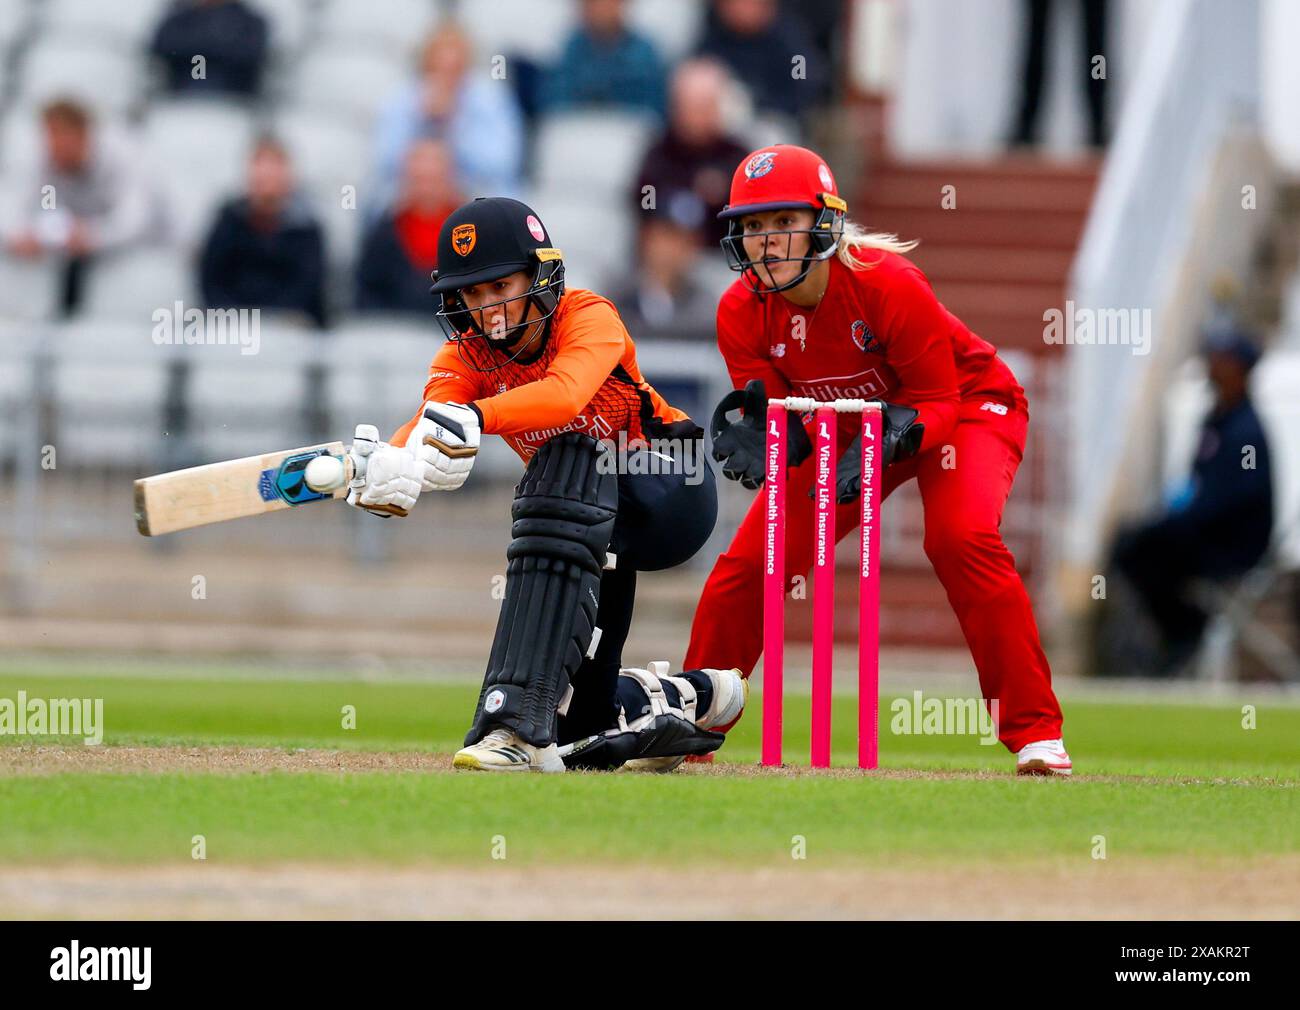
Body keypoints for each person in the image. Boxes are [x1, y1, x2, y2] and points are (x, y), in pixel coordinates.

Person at [689, 144, 1071, 775]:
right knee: (753, 561)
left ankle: (1035, 732)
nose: (767, 242)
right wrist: (774, 441)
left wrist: (893, 441)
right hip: (851, 428)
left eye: (783, 223)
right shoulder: (740, 310)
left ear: (823, 221)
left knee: (959, 538)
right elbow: (784, 423)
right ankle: (694, 718)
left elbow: (938, 400)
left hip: (961, 408)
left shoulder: (885, 281)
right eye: (753, 227)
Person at [340, 197, 746, 772]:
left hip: (670, 484)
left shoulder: (589, 315)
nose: (490, 309)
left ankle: (512, 724)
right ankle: (684, 695)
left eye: (501, 286)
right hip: (588, 521)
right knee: (585, 728)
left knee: (562, 463)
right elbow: (429, 421)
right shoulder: (462, 357)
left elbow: (565, 395)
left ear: (539, 276)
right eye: (474, 295)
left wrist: (478, 417)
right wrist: (388, 463)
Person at [1110, 327, 1273, 675]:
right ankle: (1178, 628)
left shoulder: (1246, 432)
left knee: (1144, 548)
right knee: (1131, 544)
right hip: (1204, 531)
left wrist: (1184, 518)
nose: (1211, 364)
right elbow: (1196, 484)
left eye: (1221, 358)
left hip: (1233, 545)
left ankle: (1185, 629)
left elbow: (1240, 497)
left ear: (1239, 368)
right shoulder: (1215, 421)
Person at [2, 99, 168, 314]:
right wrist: (20, 236)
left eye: (63, 138)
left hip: (147, 252)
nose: (55, 147)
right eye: (50, 137)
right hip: (71, 262)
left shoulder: (127, 155)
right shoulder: (41, 155)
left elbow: (135, 221)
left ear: (84, 134)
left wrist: (92, 235)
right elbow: (9, 206)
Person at [373, 24, 524, 206]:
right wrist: (422, 119)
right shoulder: (404, 99)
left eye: (455, 70)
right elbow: (385, 161)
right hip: (413, 194)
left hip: (475, 192)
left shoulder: (490, 99)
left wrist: (454, 125)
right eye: (437, 69)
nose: (446, 79)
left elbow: (502, 163)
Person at [200, 136, 327, 327]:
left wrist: (272, 320)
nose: (268, 184)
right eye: (261, 176)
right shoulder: (227, 221)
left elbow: (307, 289)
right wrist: (236, 318)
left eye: (274, 173)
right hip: (232, 325)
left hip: (289, 327)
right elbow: (211, 281)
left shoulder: (307, 229)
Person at [634, 59, 750, 248]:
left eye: (704, 107)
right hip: (669, 245)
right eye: (689, 107)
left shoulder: (737, 153)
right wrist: (677, 195)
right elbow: (643, 200)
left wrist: (723, 191)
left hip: (722, 246)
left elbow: (754, 208)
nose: (696, 117)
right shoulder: (659, 150)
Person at [355, 139, 462, 316]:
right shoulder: (384, 232)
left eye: (434, 180)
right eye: (419, 180)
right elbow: (366, 292)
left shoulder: (474, 233)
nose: (426, 189)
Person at [606, 188, 717, 340]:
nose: (677, 248)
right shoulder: (615, 297)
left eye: (688, 240)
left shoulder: (704, 304)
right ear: (647, 237)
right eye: (669, 235)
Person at [696, 0, 827, 125]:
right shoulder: (713, 40)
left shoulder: (789, 41)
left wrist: (765, 105)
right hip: (723, 124)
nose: (742, 9)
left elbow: (805, 82)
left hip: (775, 119)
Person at [540, 0, 666, 118]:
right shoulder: (569, 48)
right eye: (594, 3)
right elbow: (553, 101)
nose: (601, 9)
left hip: (629, 131)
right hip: (579, 130)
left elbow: (652, 106)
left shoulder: (643, 51)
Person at [149, 0, 270, 98]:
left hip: (235, 97)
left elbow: (253, 52)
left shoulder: (249, 21)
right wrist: (218, 48)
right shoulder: (179, 18)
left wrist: (200, 49)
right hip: (182, 97)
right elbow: (162, 46)